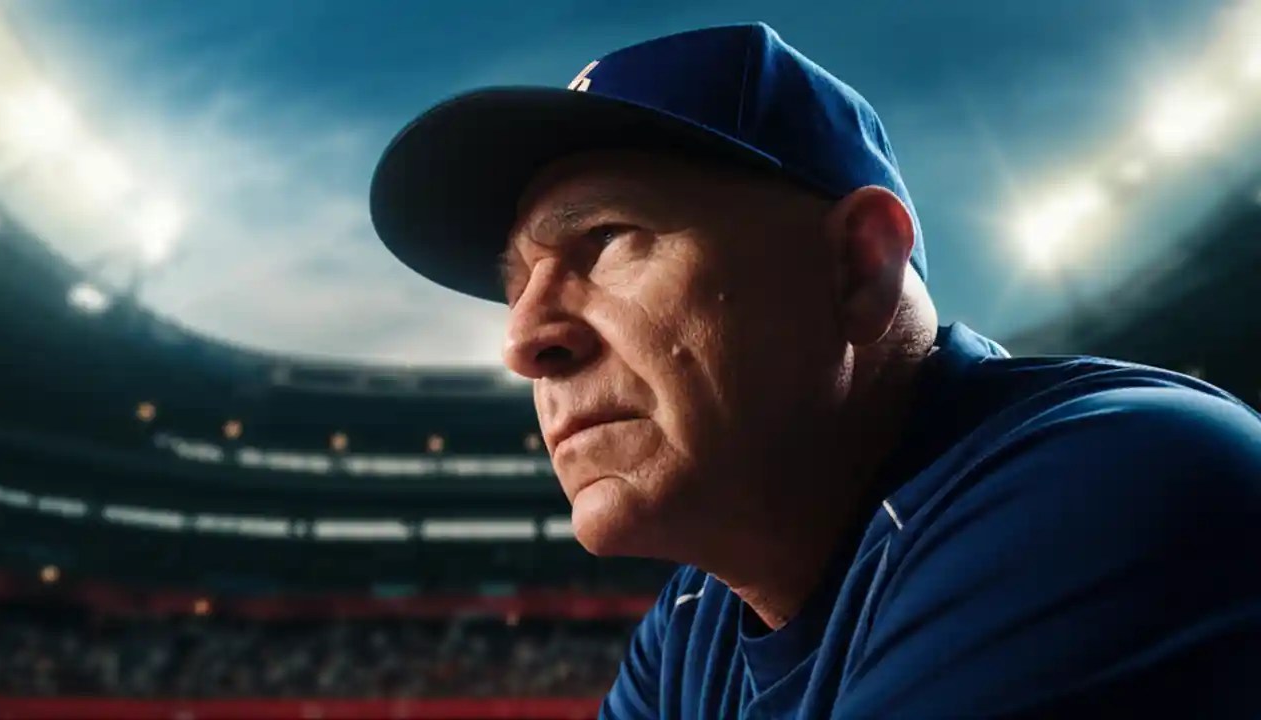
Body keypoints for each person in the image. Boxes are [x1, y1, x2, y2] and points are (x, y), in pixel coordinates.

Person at [369, 23, 1261, 719]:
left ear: (858, 266)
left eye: (603, 240)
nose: (523, 339)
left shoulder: (1105, 493)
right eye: (519, 283)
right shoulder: (698, 618)